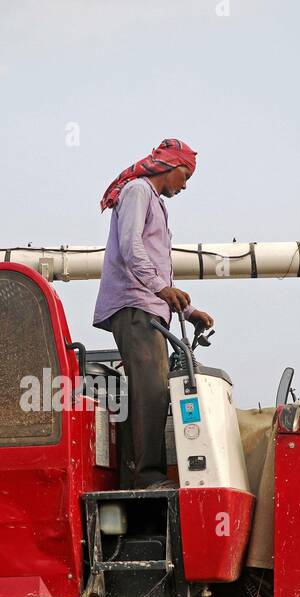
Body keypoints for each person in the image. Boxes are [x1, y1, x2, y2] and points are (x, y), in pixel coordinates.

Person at [93, 139, 214, 489]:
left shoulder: (156, 202)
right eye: (185, 174)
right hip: (135, 305)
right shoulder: (137, 191)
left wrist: (189, 311)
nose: (185, 184)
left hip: (148, 305)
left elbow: (157, 265)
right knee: (151, 391)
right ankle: (149, 478)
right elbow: (131, 248)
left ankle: (136, 476)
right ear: (169, 166)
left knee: (152, 390)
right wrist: (162, 290)